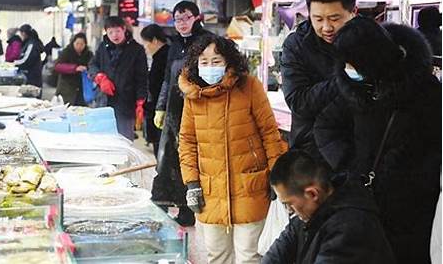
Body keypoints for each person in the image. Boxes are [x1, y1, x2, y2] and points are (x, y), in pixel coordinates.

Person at [314, 17, 441, 264]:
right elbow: (326, 125)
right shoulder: (355, 87)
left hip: (414, 211)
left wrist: (408, 177)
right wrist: (351, 166)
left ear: (371, 58)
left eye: (352, 63)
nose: (347, 69)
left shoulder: (426, 92)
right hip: (368, 205)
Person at [178, 35, 288, 263]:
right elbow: (187, 141)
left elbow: (270, 134)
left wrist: (277, 175)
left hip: (250, 186)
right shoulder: (193, 95)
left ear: (229, 62)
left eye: (216, 61)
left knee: (249, 256)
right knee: (217, 256)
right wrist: (192, 184)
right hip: (210, 191)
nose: (210, 67)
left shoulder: (249, 87)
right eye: (204, 62)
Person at [262, 150, 396, 264]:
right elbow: (276, 255)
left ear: (312, 194)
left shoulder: (350, 228)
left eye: (289, 204)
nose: (289, 210)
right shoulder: (308, 216)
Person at [280, 0, 356, 161]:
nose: (326, 27)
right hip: (312, 154)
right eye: (318, 19)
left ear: (354, 12)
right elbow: (298, 102)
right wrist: (345, 78)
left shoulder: (370, 41)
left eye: (334, 18)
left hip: (359, 149)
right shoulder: (296, 45)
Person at [150, 0, 211, 226]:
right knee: (167, 157)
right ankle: (163, 204)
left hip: (196, 108)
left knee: (189, 158)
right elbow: (168, 78)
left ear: (196, 17)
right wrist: (160, 107)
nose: (182, 23)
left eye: (186, 17)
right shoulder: (174, 44)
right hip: (174, 110)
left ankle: (188, 210)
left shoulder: (207, 41)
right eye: (177, 19)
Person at [88, 16, 147, 141]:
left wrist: (140, 102)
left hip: (125, 104)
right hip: (103, 102)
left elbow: (142, 78)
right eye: (111, 32)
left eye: (118, 31)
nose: (115, 35)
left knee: (124, 141)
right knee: (103, 140)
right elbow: (92, 65)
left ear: (124, 29)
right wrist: (100, 77)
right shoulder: (103, 47)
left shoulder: (137, 50)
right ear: (106, 32)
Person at [140, 24, 169, 158]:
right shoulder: (160, 56)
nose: (145, 48)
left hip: (162, 110)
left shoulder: (164, 58)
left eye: (146, 43)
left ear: (155, 41)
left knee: (162, 150)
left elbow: (159, 86)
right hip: (157, 109)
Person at [54, 33, 93, 106]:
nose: (79, 46)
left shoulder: (89, 54)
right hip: (66, 88)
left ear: (85, 44)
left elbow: (93, 66)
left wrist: (88, 70)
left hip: (82, 89)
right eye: (77, 43)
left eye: (82, 44)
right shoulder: (66, 52)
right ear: (73, 43)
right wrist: (75, 68)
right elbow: (58, 66)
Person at [14, 24, 44, 90]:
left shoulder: (31, 44)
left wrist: (14, 64)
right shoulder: (28, 43)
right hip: (31, 75)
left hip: (32, 77)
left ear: (24, 33)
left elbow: (26, 60)